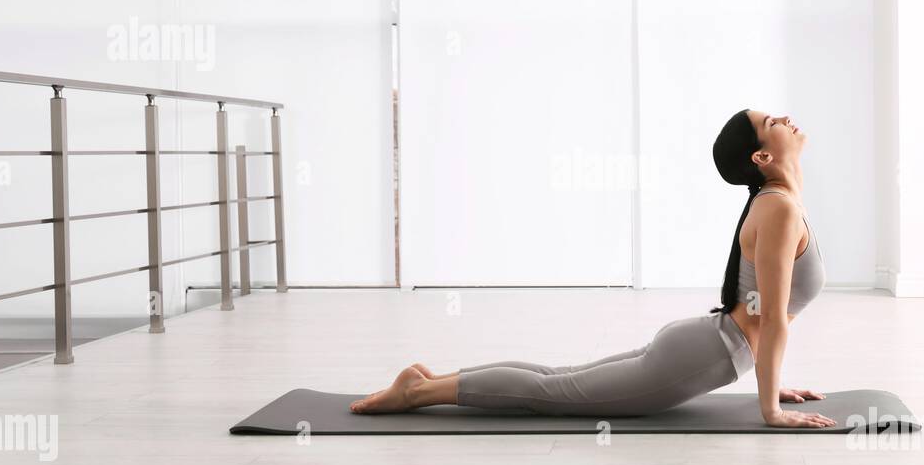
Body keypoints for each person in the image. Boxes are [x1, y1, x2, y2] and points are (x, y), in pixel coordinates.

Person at [351, 109, 834, 428]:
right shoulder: (779, 210)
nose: (786, 118)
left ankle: (427, 380)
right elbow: (770, 319)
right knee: (550, 392)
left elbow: (767, 317)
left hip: (702, 345)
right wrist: (770, 409)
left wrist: (775, 387)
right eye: (772, 120)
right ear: (762, 157)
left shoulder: (779, 206)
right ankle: (418, 392)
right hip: (701, 354)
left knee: (553, 379)